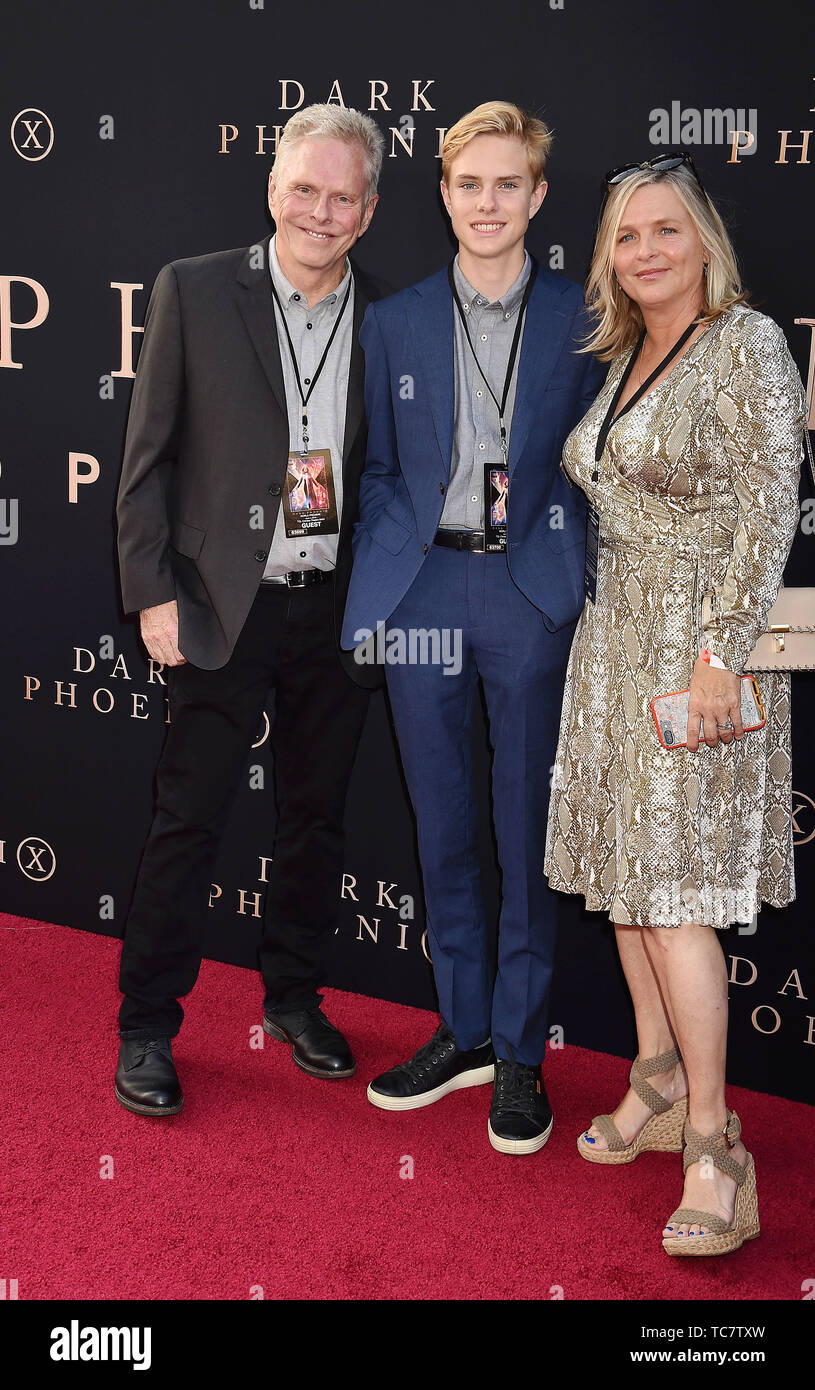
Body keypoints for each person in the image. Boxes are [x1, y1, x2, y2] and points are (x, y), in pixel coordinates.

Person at [543, 153, 806, 1252]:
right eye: (624, 235)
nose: (644, 250)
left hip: (696, 654)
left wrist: (716, 655)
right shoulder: (628, 355)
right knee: (629, 883)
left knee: (676, 892)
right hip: (613, 648)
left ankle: (714, 1144)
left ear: (703, 239)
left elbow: (765, 508)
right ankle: (653, 1077)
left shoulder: (742, 343)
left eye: (663, 229)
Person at [341, 102, 605, 1154]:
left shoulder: (582, 315)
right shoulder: (394, 318)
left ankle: (521, 1051)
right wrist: (383, 574)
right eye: (468, 185)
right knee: (442, 823)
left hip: (528, 597)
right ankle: (460, 1030)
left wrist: (565, 570)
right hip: (422, 595)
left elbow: (598, 465)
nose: (486, 203)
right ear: (443, 195)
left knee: (523, 831)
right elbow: (371, 469)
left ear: (536, 197)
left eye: (507, 185)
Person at [114, 105, 389, 1116]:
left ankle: (293, 997)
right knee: (187, 823)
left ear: (366, 211)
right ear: (273, 190)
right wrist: (152, 595)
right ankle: (147, 1022)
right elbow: (145, 467)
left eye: (342, 196)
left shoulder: (391, 317)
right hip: (218, 606)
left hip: (336, 611)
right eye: (304, 189)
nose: (321, 211)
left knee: (314, 821)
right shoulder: (193, 289)